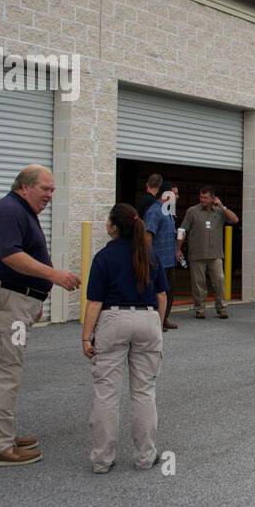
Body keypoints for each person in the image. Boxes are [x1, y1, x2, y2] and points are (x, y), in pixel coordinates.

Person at [0, 165, 80, 467]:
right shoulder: (10, 211)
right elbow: (11, 255)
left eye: (52, 190)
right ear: (24, 187)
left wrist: (33, 297)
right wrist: (54, 275)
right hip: (2, 302)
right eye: (45, 188)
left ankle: (3, 436)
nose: (50, 195)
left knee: (7, 369)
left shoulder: (20, 211)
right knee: (0, 371)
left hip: (12, 302)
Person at [82, 203, 167, 474]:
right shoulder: (149, 255)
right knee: (144, 391)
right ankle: (145, 456)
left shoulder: (104, 258)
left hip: (113, 319)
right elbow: (162, 295)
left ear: (114, 227)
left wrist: (87, 336)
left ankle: (102, 459)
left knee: (107, 392)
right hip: (148, 319)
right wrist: (159, 323)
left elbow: (95, 301)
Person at [179, 186, 238, 319]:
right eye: (201, 197)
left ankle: (221, 308)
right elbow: (183, 230)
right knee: (198, 283)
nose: (202, 200)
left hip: (215, 254)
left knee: (219, 281)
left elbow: (235, 220)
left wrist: (222, 207)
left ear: (213, 198)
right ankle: (200, 310)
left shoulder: (219, 212)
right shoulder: (192, 211)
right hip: (197, 253)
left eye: (206, 197)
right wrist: (178, 249)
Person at [143, 181, 181, 331]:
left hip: (169, 260)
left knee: (169, 291)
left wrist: (177, 251)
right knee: (158, 293)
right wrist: (149, 257)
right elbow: (148, 235)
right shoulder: (155, 211)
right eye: (175, 193)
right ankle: (155, 322)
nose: (177, 196)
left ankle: (164, 319)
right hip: (157, 261)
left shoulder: (168, 211)